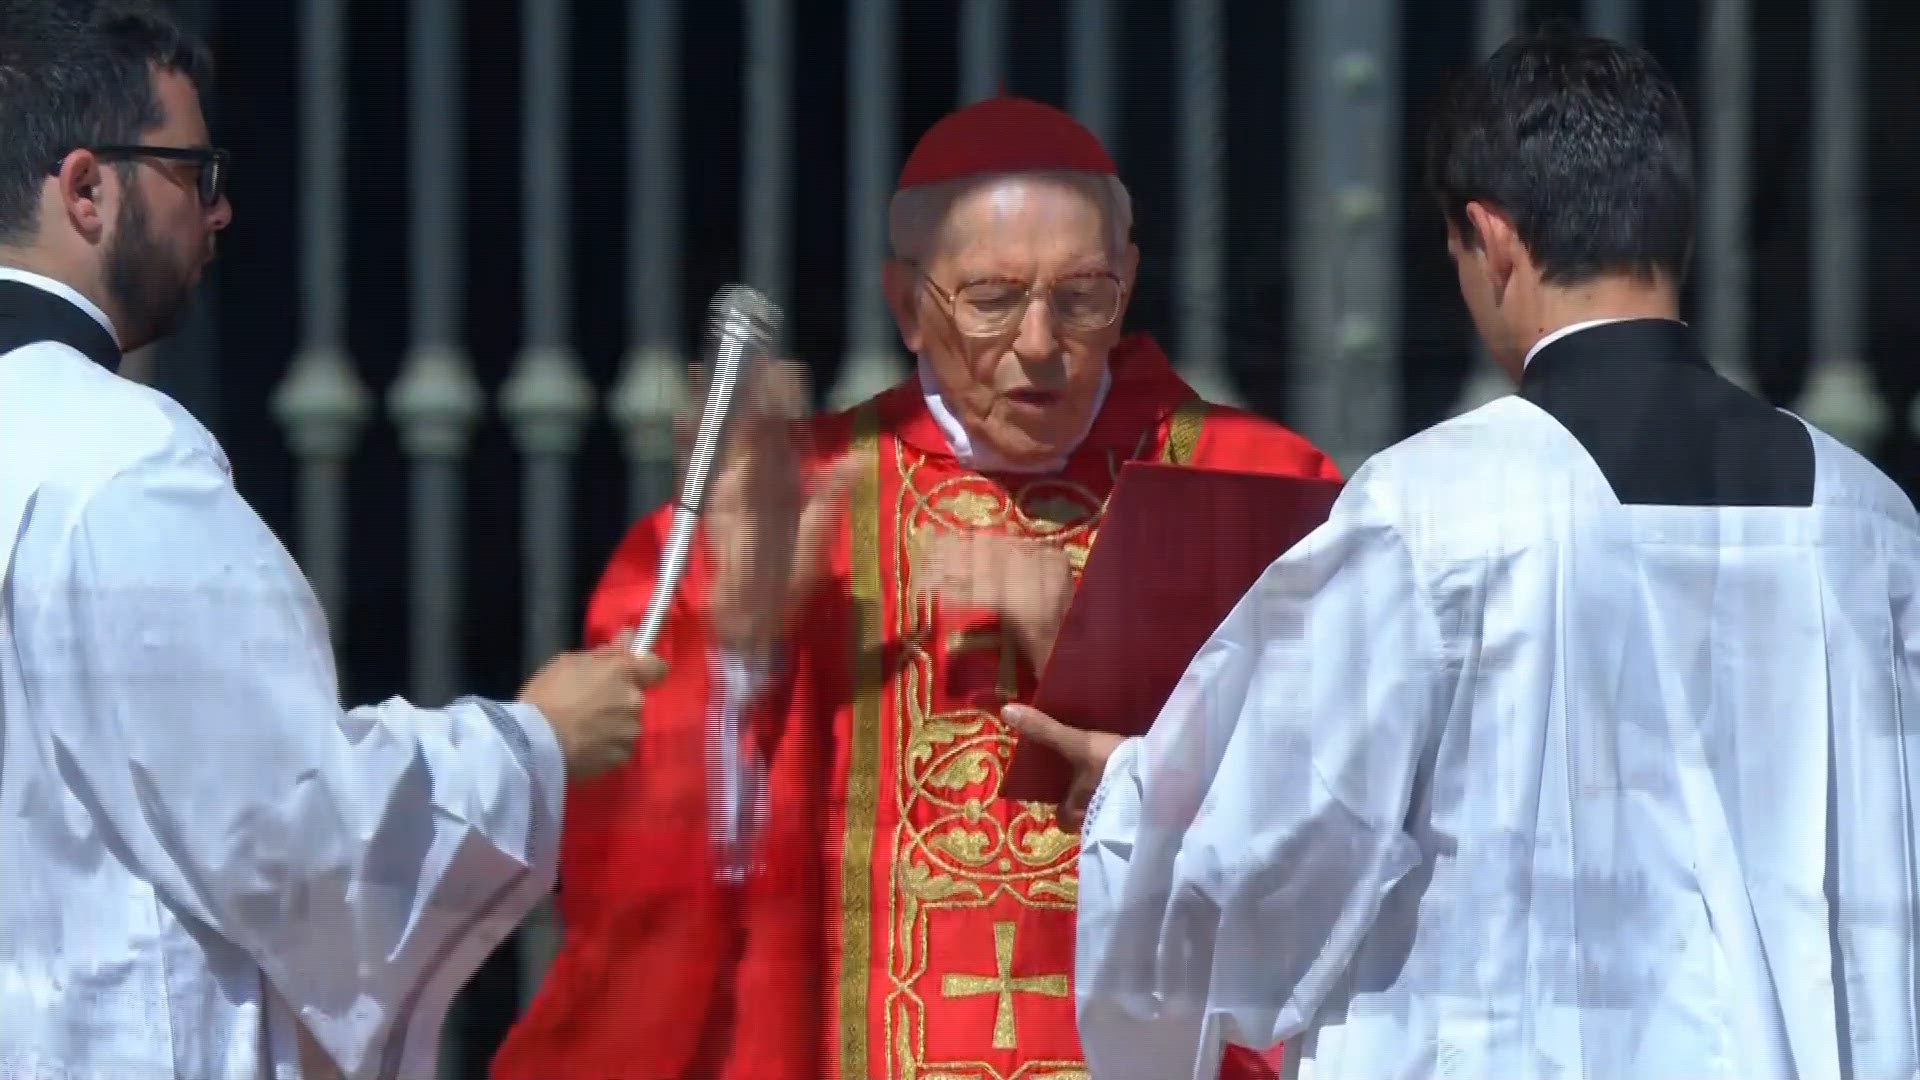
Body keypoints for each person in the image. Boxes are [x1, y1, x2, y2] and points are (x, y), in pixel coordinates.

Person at [1010, 31, 1920, 1080]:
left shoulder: (1439, 512)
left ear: (1490, 240)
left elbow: (1265, 866)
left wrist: (1134, 792)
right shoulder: (1872, 523)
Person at [493, 96, 1340, 1080]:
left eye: (1083, 296)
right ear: (905, 304)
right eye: (991, 298)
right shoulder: (794, 505)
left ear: (1131, 280)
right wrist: (735, 654)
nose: (1038, 342)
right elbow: (619, 832)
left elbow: (1348, 806)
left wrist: (1092, 643)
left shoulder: (1254, 485)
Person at [0, 3, 667, 1078]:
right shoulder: (119, 460)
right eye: (193, 171)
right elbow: (299, 841)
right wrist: (535, 744)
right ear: (87, 189)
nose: (218, 216)